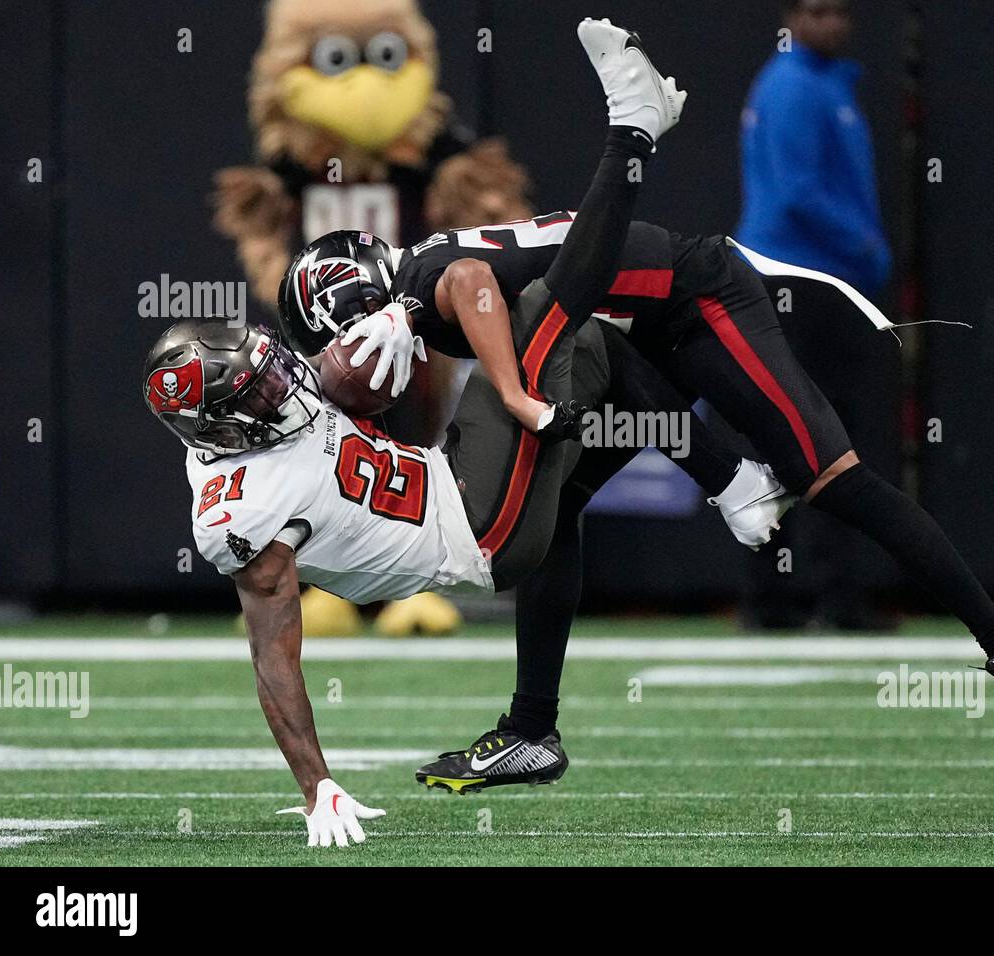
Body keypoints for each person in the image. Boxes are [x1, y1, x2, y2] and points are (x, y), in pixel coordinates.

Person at [144, 18, 770, 846]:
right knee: (546, 308)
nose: (278, 388)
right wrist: (317, 787)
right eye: (257, 393)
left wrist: (382, 337)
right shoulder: (238, 512)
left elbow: (337, 382)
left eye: (267, 369)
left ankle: (726, 480)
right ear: (221, 424)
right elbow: (274, 660)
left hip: (455, 476)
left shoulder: (275, 403)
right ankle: (632, 134)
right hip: (476, 529)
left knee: (592, 346)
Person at [361, 56, 994, 797]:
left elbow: (489, 292)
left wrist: (509, 389)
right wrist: (718, 470)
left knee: (832, 480)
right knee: (556, 499)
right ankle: (532, 730)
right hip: (642, 332)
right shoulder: (421, 274)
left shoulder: (426, 287)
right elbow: (607, 348)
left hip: (698, 298)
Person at [736, 0, 893, 631]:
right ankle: (800, 597)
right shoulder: (793, 88)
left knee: (808, 437)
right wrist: (865, 245)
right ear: (793, 17)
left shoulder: (823, 85)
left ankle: (806, 597)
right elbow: (798, 193)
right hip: (797, 286)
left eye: (842, 12)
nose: (835, 24)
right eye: (819, 11)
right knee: (808, 438)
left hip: (816, 284)